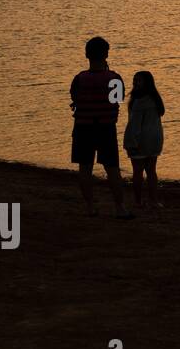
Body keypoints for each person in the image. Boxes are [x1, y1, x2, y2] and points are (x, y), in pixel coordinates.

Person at [70, 36, 132, 218]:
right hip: (106, 128)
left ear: (86, 55)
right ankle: (119, 207)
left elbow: (75, 98)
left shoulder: (79, 78)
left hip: (83, 127)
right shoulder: (114, 78)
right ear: (106, 54)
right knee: (112, 168)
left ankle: (90, 207)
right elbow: (117, 101)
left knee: (85, 168)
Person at [123, 70, 165, 212]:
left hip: (141, 141)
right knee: (151, 171)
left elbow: (134, 126)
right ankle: (153, 201)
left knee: (138, 171)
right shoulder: (155, 99)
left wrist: (130, 142)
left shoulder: (139, 101)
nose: (135, 83)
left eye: (138, 81)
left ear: (146, 83)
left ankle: (138, 201)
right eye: (134, 80)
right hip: (155, 140)